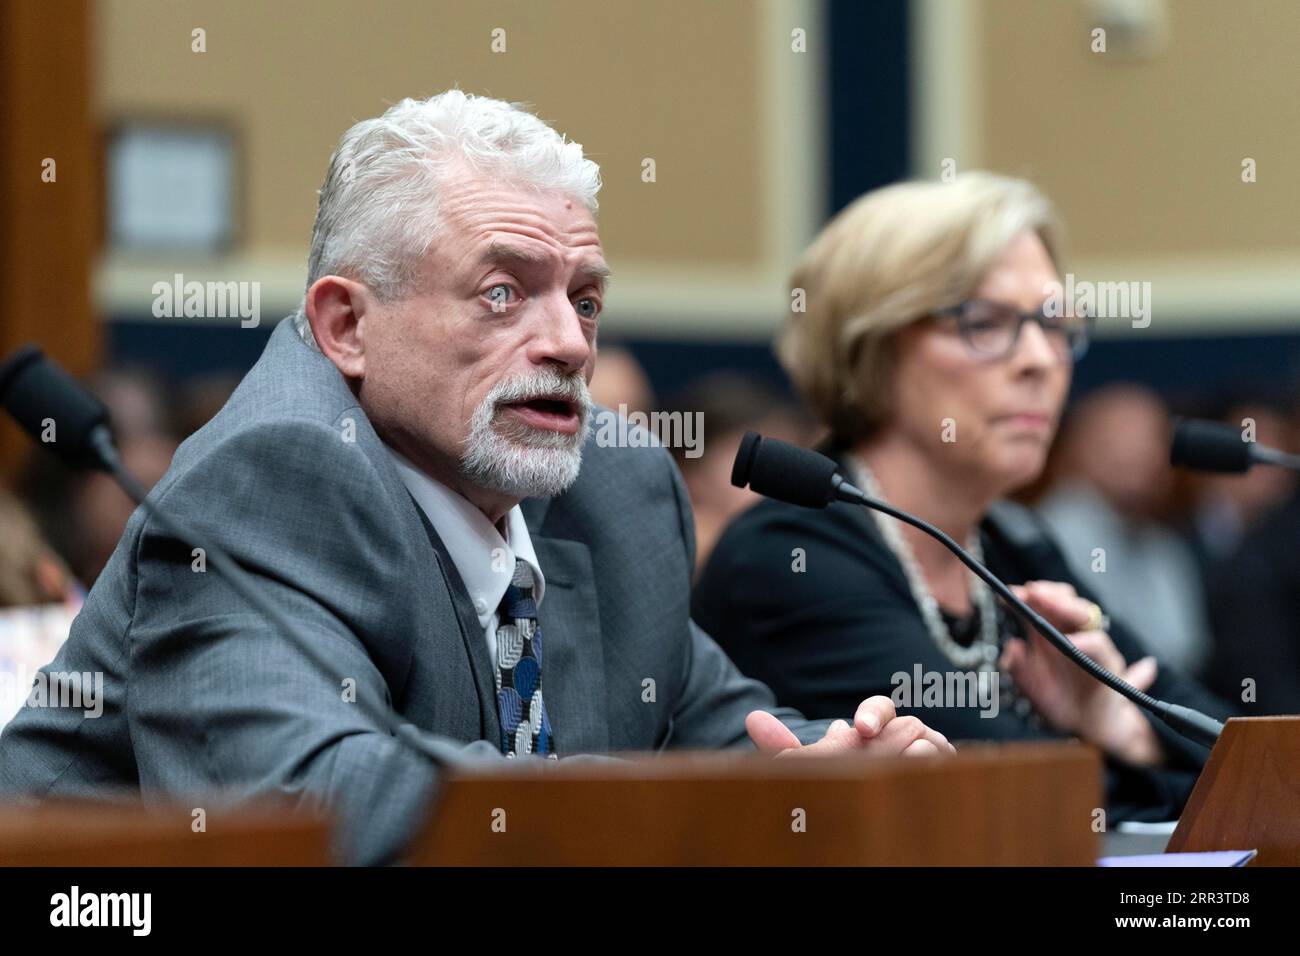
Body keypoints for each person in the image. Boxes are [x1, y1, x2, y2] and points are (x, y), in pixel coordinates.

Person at [0, 91, 951, 864]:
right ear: (346, 326)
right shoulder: (268, 479)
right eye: (503, 293)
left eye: (586, 300)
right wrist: (682, 805)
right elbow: (311, 806)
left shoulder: (613, 486)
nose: (570, 342)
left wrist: (840, 768)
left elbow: (714, 729)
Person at [694, 173, 1235, 822]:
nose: (1040, 360)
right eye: (985, 323)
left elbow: (1241, 755)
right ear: (872, 349)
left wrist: (1129, 730)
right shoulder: (789, 556)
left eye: (1054, 324)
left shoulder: (1014, 540)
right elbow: (1008, 800)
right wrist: (1140, 754)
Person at [1036, 384, 1213, 676]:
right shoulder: (1047, 535)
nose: (1145, 453)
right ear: (1079, 446)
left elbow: (1188, 653)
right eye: (1124, 438)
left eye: (1155, 439)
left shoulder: (1168, 549)